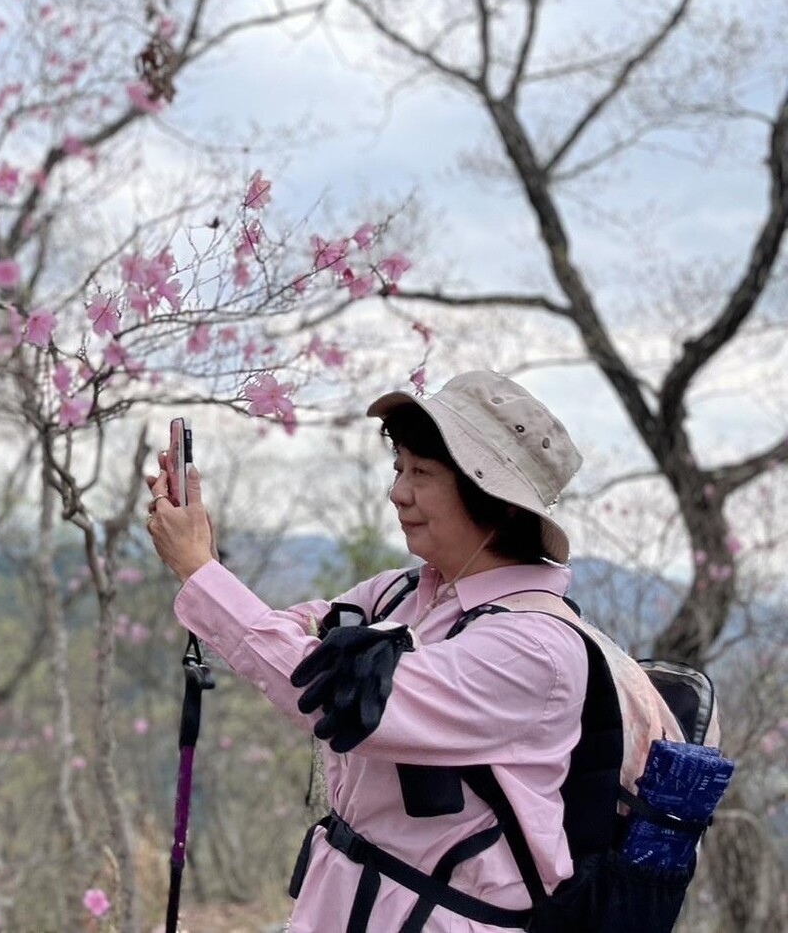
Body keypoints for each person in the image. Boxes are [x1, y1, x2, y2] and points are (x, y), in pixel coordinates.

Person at [145, 371, 591, 933]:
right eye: (399, 467)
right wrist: (207, 564)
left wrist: (199, 572)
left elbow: (328, 694)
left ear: (496, 502)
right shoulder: (400, 594)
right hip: (340, 905)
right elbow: (281, 637)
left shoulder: (533, 648)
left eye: (422, 473)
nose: (398, 492)